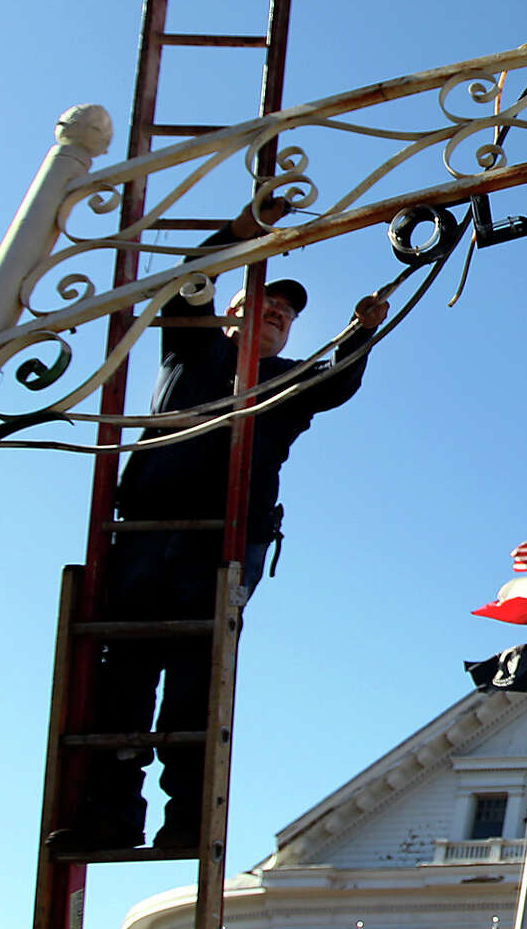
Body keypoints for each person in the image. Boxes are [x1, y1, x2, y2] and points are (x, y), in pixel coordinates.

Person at [60, 197, 389, 851]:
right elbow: (192, 280)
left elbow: (340, 381)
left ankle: (186, 813)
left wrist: (360, 332)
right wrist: (238, 233)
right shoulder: (193, 346)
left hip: (225, 542)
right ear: (231, 312)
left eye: (286, 315)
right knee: (123, 668)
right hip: (150, 534)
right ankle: (112, 809)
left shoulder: (287, 381)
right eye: (264, 303)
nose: (275, 314)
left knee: (196, 677)